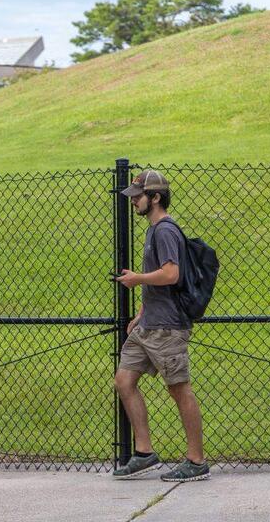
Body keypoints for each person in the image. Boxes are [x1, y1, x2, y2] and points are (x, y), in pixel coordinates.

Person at [112, 169, 209, 482]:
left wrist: (136, 279)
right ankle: (144, 452)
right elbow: (159, 281)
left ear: (155, 198)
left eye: (138, 197)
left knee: (179, 390)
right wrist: (141, 312)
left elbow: (171, 275)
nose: (133, 202)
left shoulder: (165, 230)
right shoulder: (152, 230)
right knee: (124, 381)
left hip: (167, 328)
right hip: (149, 325)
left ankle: (196, 461)